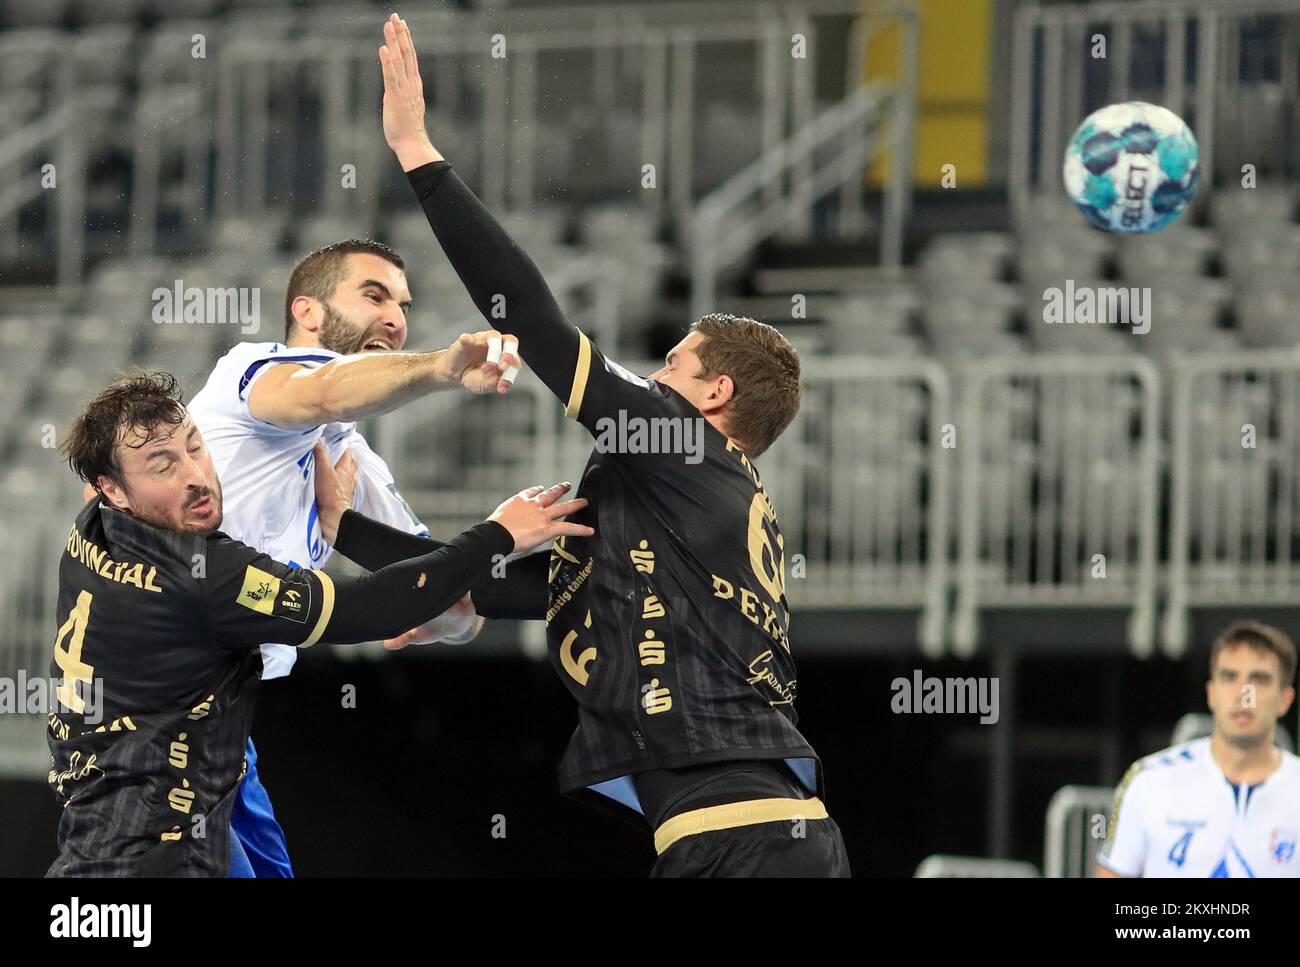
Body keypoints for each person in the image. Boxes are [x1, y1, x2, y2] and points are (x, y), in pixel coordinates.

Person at [375, 13, 849, 876]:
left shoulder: (676, 443)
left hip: (739, 832)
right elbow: (495, 583)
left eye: (672, 363)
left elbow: (537, 323)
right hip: (745, 831)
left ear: (716, 394)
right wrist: (343, 528)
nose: (651, 376)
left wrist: (418, 156)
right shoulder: (665, 509)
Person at [48, 370, 589, 876]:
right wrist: (496, 535)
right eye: (163, 466)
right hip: (151, 851)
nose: (196, 476)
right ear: (112, 489)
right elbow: (372, 610)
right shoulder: (205, 580)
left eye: (195, 446)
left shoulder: (90, 530)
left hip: (135, 811)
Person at [185, 238, 524, 876]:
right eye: (373, 295)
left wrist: (442, 605)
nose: (395, 317)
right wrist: (441, 368)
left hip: (230, 722)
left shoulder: (352, 461)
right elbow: (323, 392)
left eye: (402, 303)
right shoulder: (249, 372)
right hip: (156, 699)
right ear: (307, 312)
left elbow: (454, 607)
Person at [1097, 620, 1300, 878]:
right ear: (1211, 693)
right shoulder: (1147, 780)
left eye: (1259, 680)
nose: (1243, 694)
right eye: (1229, 677)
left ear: (1285, 699)